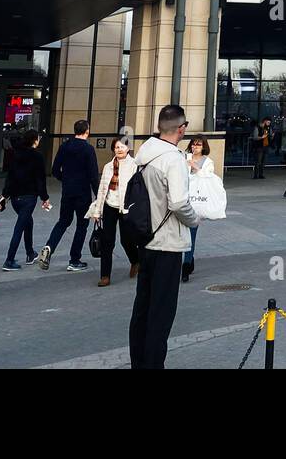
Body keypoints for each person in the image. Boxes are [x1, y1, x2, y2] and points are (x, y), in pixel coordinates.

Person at [129, 105, 200, 370]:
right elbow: (180, 202)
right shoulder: (173, 158)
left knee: (143, 308)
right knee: (162, 312)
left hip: (146, 237)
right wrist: (194, 220)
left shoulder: (145, 153)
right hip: (167, 241)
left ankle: (139, 363)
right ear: (181, 129)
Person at [38, 119, 100, 273]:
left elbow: (54, 169)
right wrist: (99, 195)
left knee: (63, 221)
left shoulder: (64, 146)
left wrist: (64, 179)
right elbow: (93, 175)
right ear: (87, 131)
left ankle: (49, 246)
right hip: (83, 193)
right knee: (82, 225)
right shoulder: (88, 149)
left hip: (67, 191)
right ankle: (74, 259)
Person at [86, 137, 139, 287]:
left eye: (122, 147)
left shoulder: (134, 165)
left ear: (128, 149)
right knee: (107, 242)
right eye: (117, 147)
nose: (120, 149)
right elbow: (102, 190)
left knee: (126, 240)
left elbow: (137, 189)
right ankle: (105, 276)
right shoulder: (109, 166)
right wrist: (97, 211)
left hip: (126, 207)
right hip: (109, 205)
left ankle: (135, 261)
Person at [0, 130, 51, 269]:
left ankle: (30, 253)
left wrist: (5, 195)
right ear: (35, 140)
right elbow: (40, 179)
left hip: (16, 197)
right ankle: (9, 260)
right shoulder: (37, 156)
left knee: (28, 222)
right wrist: (44, 197)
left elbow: (10, 176)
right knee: (20, 227)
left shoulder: (16, 154)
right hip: (29, 197)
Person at [182, 136, 215, 282]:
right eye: (194, 144)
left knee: (191, 236)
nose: (195, 147)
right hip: (182, 200)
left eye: (199, 145)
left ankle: (186, 266)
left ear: (203, 147)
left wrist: (195, 167)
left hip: (197, 202)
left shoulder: (207, 162)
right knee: (181, 235)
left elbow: (209, 179)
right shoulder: (184, 158)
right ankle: (189, 259)